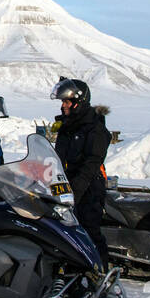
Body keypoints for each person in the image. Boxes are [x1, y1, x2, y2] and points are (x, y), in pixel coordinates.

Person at [51, 78, 110, 262]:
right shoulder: (67, 126)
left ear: (79, 102)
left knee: (88, 231)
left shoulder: (94, 127)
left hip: (89, 187)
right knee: (61, 231)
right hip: (67, 186)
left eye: (66, 101)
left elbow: (92, 162)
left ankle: (101, 271)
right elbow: (58, 158)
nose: (63, 106)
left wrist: (74, 191)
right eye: (62, 101)